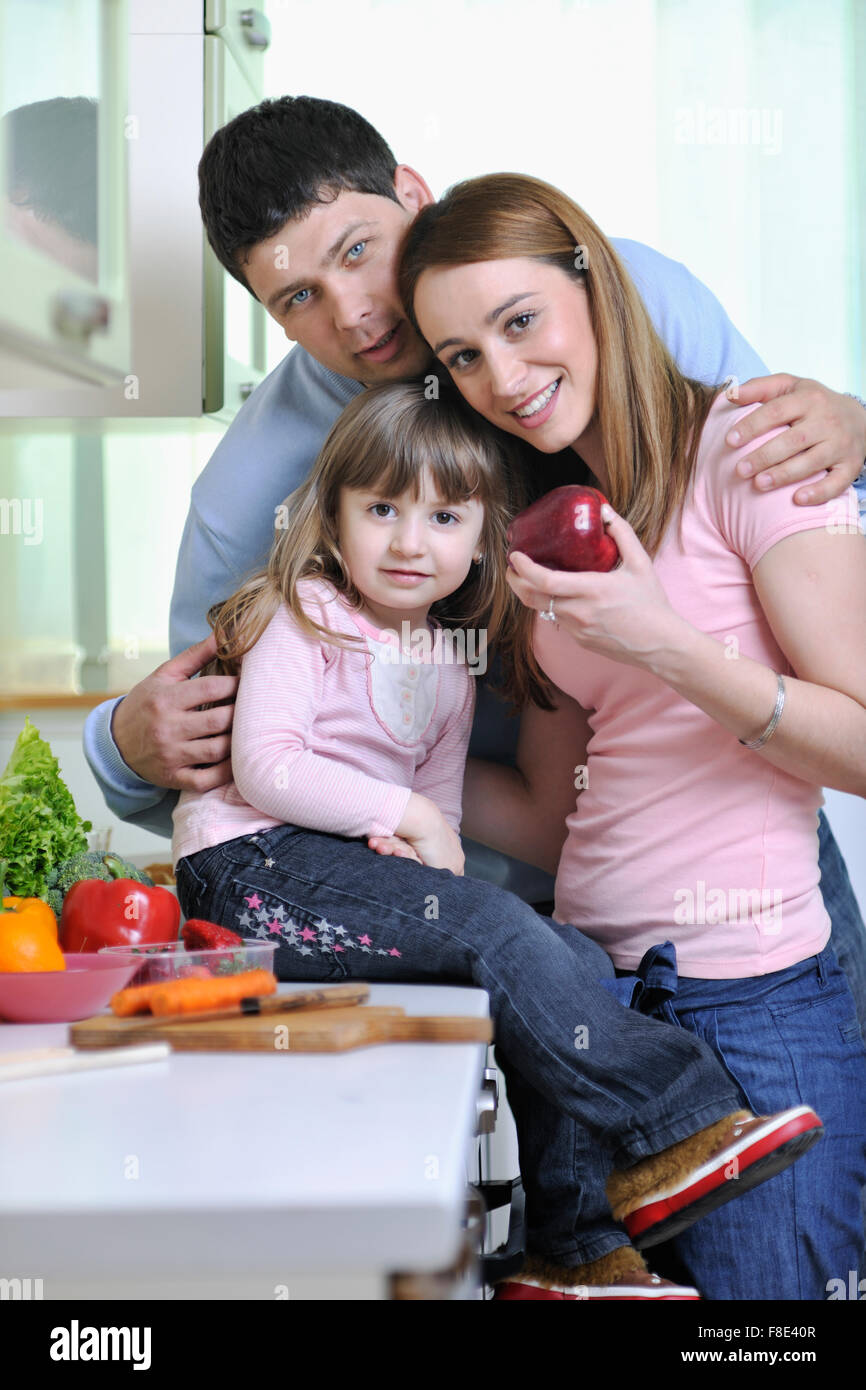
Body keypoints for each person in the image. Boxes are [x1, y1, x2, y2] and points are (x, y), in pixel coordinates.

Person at [81, 96, 866, 1032]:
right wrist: (120, 744)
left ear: (410, 192)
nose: (358, 313)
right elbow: (210, 748)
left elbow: (790, 496)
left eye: (357, 250)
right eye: (299, 298)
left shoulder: (614, 292)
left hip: (743, 858)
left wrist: (854, 423)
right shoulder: (249, 493)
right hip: (455, 908)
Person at [171, 374, 823, 1300]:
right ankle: (678, 1121)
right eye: (383, 509)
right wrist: (410, 823)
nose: (408, 541)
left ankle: (574, 1246)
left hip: (341, 881)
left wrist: (423, 846)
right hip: (248, 870)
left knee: (571, 956)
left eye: (445, 518)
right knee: (498, 932)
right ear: (333, 516)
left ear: (483, 540)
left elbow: (436, 803)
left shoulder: (448, 660)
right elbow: (271, 767)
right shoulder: (308, 613)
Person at [397, 171, 866, 1301]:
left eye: (519, 323)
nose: (501, 378)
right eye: (461, 357)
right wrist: (354, 771)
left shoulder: (753, 445)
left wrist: (664, 642)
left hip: (749, 998)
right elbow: (558, 814)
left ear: (592, 286)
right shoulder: (542, 526)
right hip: (586, 1003)